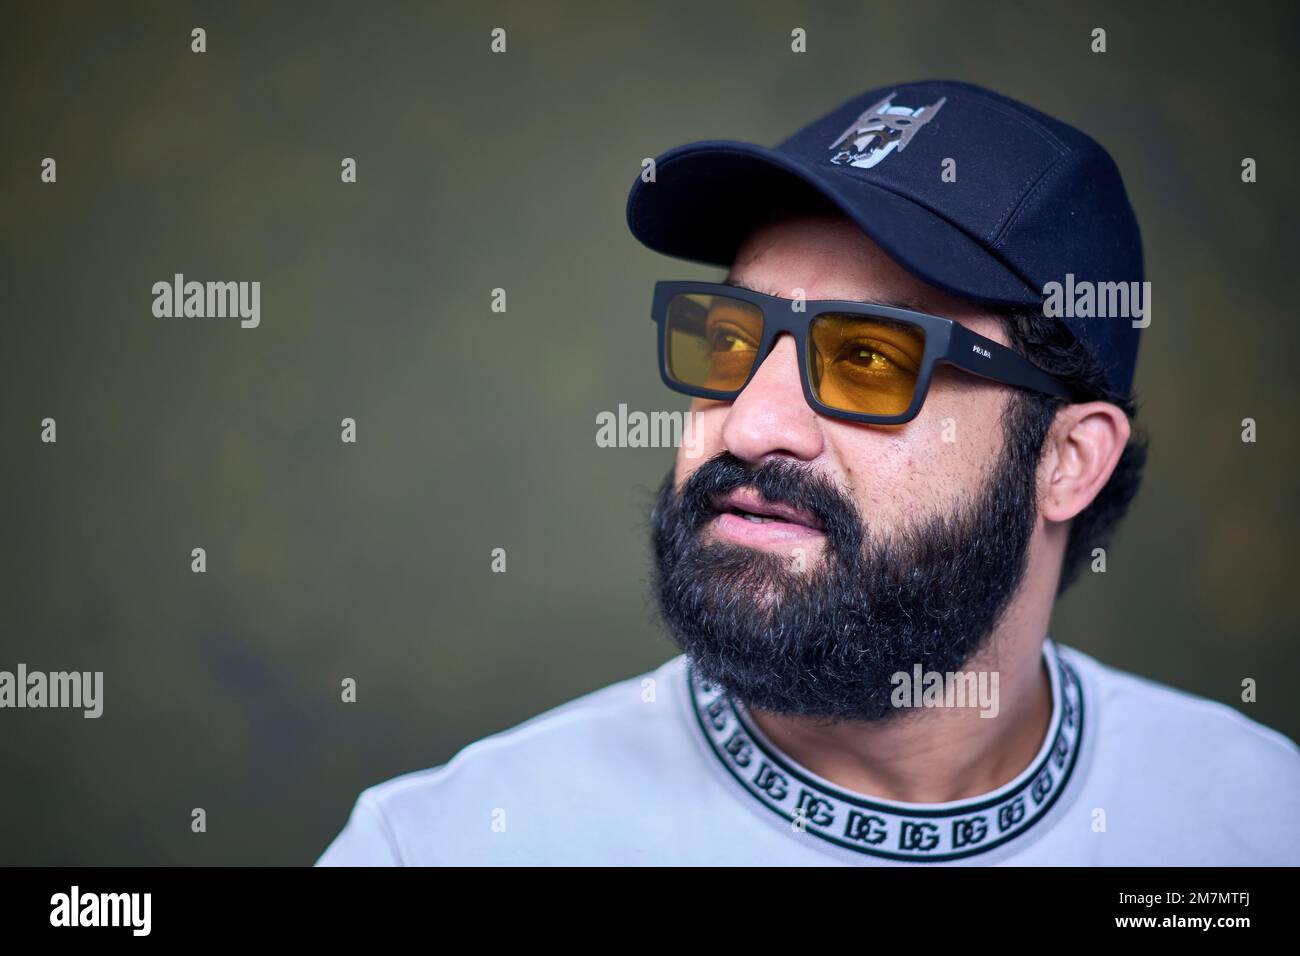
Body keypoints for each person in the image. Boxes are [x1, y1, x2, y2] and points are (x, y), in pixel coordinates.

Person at [317, 80, 1300, 865]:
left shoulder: (1256, 822)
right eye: (731, 337)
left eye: (871, 357)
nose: (750, 423)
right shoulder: (447, 844)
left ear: (1066, 458)